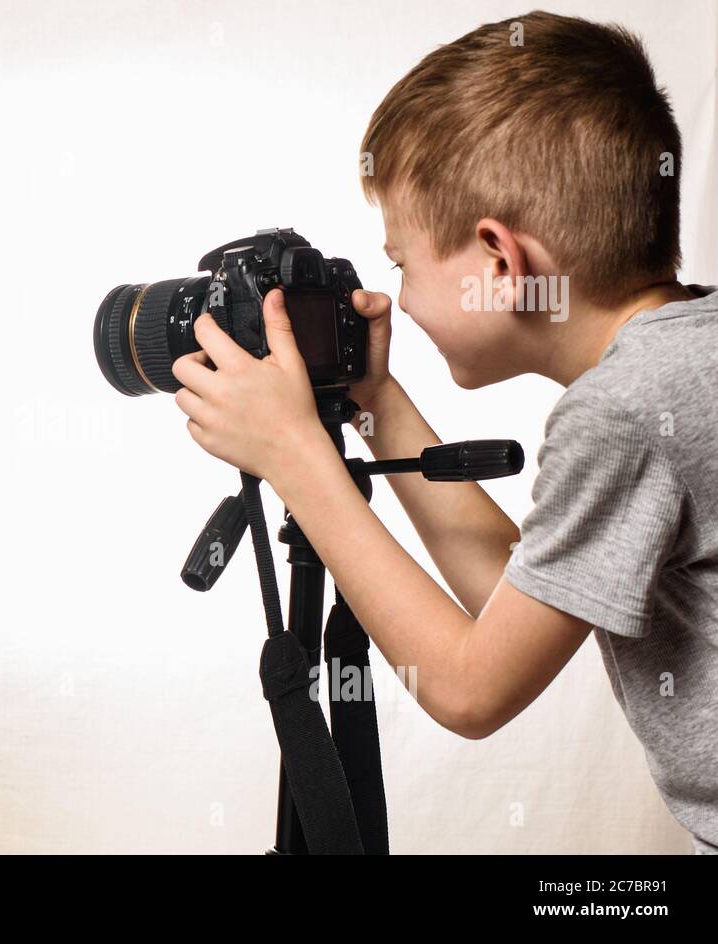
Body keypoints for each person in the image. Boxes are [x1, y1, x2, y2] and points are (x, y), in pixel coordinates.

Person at [171, 11, 717, 854]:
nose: (401, 293)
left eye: (403, 264)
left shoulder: (625, 411)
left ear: (499, 263)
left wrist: (293, 457)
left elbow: (469, 688)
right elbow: (513, 602)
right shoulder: (688, 356)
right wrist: (378, 398)